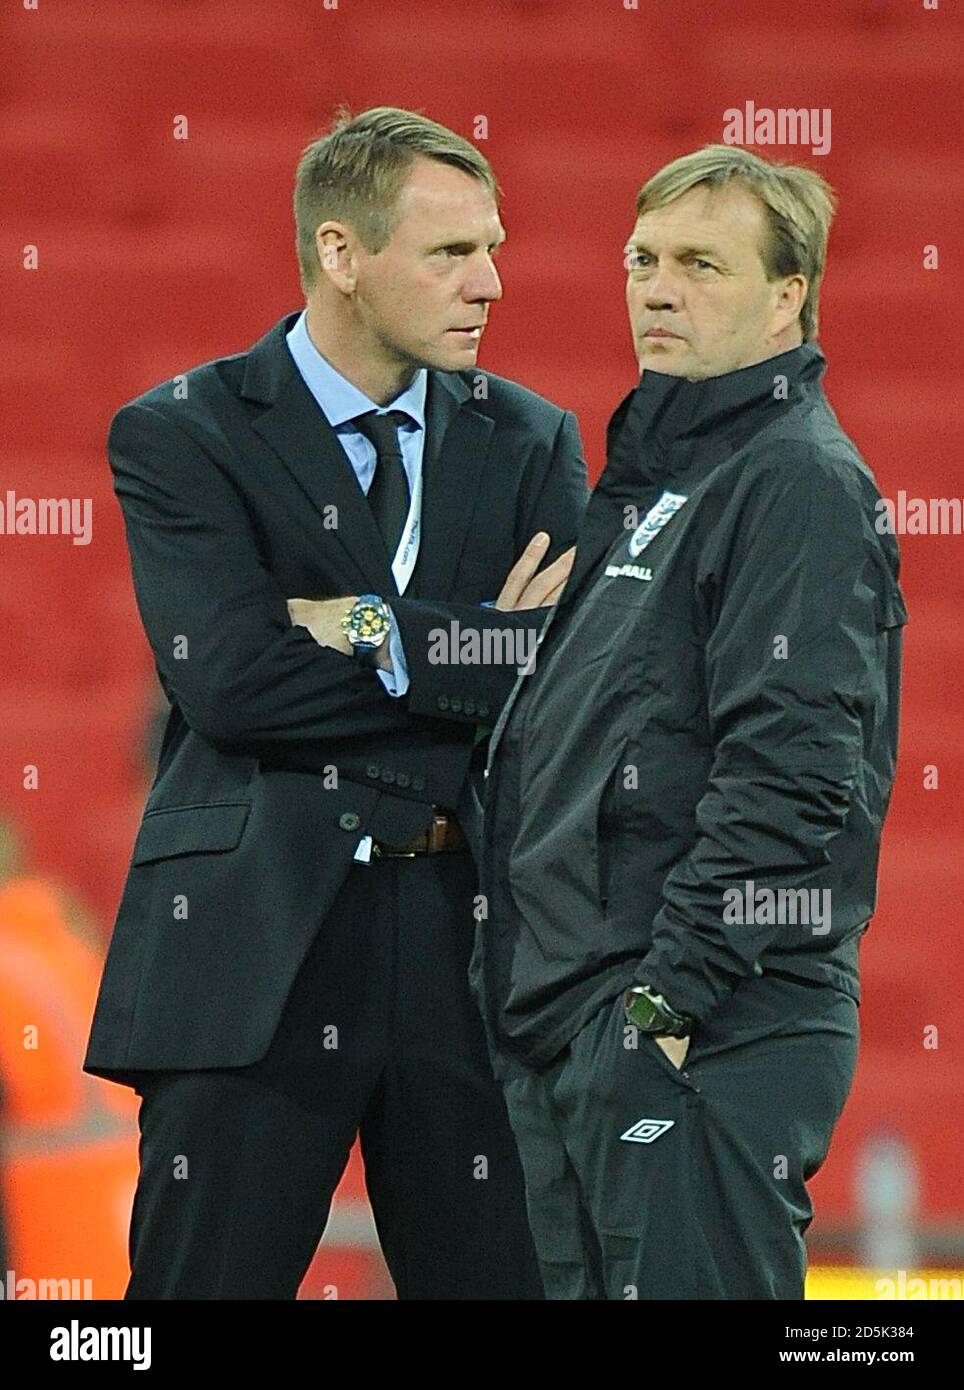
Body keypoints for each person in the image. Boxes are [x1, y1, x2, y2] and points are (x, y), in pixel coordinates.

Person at [83, 106, 588, 1300]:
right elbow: (234, 683)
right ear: (342, 254)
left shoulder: (530, 438)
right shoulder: (182, 431)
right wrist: (472, 653)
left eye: (494, 247)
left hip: (469, 943)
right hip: (253, 943)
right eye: (451, 252)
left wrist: (359, 627)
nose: (492, 282)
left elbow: (560, 688)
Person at [473, 144, 907, 1300]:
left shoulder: (794, 480)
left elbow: (796, 773)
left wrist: (669, 999)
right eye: (643, 258)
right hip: (578, 1024)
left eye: (701, 264)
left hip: (698, 1026)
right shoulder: (655, 483)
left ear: (788, 295)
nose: (657, 287)